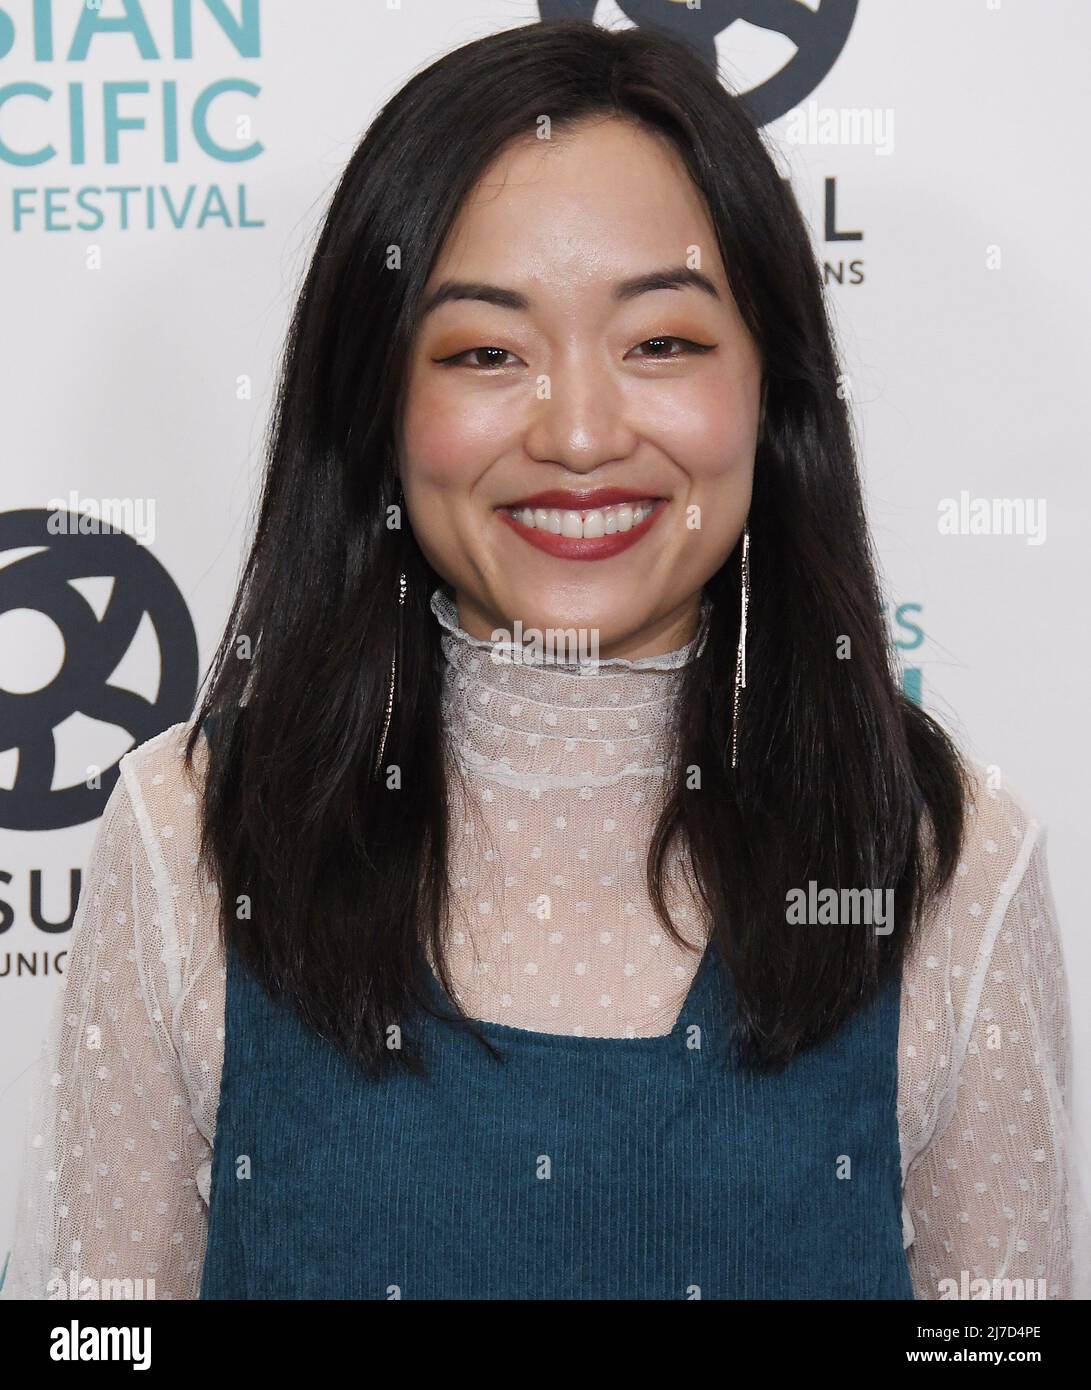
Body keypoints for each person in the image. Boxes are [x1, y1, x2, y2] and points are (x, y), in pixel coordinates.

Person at [4, 19, 1088, 1301]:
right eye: (484, 353)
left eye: (662, 344)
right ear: (376, 406)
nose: (578, 432)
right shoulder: (190, 835)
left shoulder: (937, 860)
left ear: (772, 389)